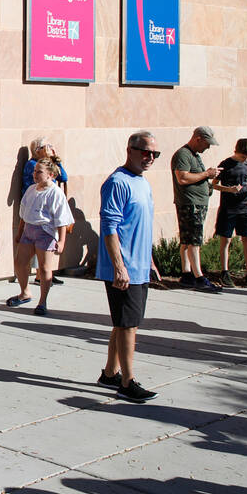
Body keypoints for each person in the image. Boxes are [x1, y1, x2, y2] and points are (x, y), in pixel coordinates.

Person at [96, 131, 160, 403]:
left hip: (140, 266)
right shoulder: (117, 182)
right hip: (124, 268)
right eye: (146, 152)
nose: (150, 158)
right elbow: (109, 228)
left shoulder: (142, 183)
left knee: (123, 323)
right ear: (130, 150)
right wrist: (119, 267)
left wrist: (151, 261)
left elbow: (142, 226)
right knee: (128, 326)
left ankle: (110, 373)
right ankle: (127, 381)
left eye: (155, 154)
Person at [7, 158, 73, 315]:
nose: (34, 174)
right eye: (34, 171)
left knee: (44, 268)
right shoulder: (31, 190)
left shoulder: (55, 193)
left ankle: (42, 302)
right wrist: (20, 232)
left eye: (39, 172)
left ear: (50, 175)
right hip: (29, 230)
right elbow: (23, 213)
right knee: (20, 263)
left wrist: (62, 241)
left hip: (45, 232)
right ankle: (24, 292)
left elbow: (62, 219)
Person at [171, 126, 222, 292]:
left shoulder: (194, 155)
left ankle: (187, 274)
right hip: (191, 204)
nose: (208, 147)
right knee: (194, 240)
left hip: (196, 203)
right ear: (198, 138)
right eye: (207, 144)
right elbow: (183, 178)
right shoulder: (183, 155)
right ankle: (199, 277)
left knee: (187, 240)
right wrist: (207, 174)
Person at [213, 137, 247, 288]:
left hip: (245, 207)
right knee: (226, 240)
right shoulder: (226, 164)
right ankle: (224, 272)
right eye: (243, 157)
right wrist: (228, 189)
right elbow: (214, 185)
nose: (245, 160)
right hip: (228, 208)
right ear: (236, 151)